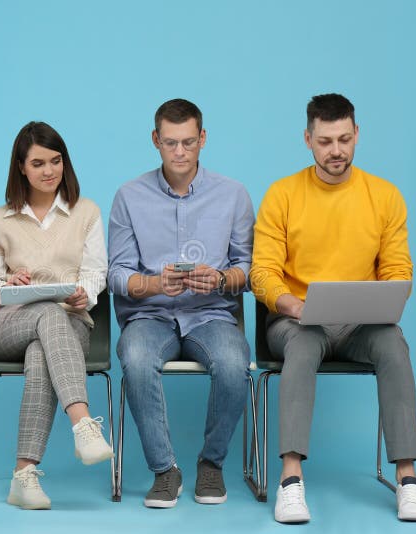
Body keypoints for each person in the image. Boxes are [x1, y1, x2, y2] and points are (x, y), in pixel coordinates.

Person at [250, 93, 416, 523]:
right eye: (326, 141)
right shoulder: (283, 194)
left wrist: (392, 297)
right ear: (308, 140)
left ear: (357, 136)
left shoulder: (384, 196)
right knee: (304, 343)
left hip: (358, 326)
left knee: (392, 343)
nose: (337, 151)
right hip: (295, 322)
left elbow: (397, 268)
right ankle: (290, 481)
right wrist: (293, 304)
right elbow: (263, 273)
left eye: (345, 139)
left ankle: (408, 479)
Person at [108, 98, 254, 508]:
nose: (180, 152)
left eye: (189, 142)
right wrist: (153, 283)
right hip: (150, 316)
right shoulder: (128, 196)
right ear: (155, 140)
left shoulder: (233, 195)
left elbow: (249, 269)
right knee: (135, 358)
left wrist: (221, 278)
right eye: (170, 142)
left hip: (210, 315)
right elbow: (116, 274)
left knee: (232, 362)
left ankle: (211, 464)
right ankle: (164, 470)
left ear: (203, 139)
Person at [0, 121, 114, 510]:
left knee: (44, 344)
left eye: (56, 161)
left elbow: (95, 271)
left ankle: (24, 476)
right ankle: (83, 423)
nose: (49, 171)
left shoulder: (85, 212)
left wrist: (84, 294)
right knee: (44, 316)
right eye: (38, 163)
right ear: (21, 167)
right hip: (7, 325)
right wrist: (6, 284)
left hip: (69, 323)